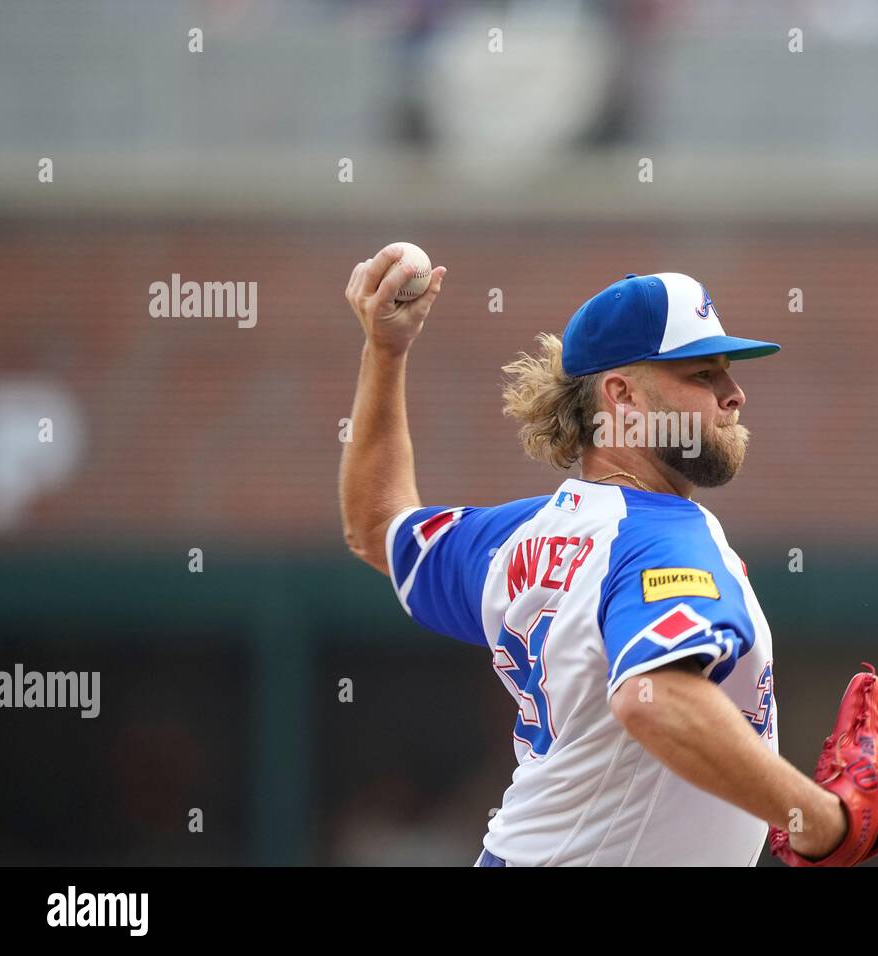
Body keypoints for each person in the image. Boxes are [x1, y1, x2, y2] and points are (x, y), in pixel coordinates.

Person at [340, 245, 848, 865]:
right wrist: (819, 817)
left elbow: (376, 526)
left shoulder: (518, 536)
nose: (734, 393)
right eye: (702, 374)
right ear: (622, 396)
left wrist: (385, 353)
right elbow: (652, 699)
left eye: (728, 371)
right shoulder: (661, 539)